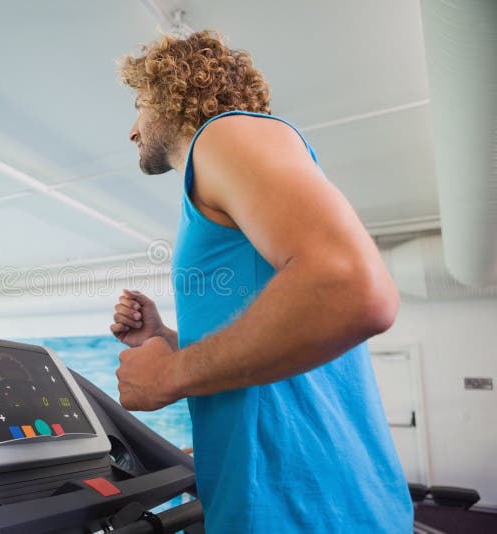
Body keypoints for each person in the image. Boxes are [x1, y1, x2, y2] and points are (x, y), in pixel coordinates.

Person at [110, 30, 413, 532]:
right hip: (299, 504)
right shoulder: (217, 178)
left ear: (171, 93)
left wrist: (171, 373)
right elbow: (281, 358)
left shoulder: (224, 134)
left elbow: (353, 289)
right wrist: (170, 342)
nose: (132, 130)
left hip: (304, 511)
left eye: (139, 104)